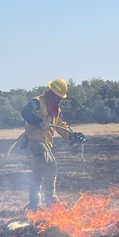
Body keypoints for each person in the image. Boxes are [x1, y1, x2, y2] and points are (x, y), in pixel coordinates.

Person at [21, 78, 76, 211]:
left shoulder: (55, 110)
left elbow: (61, 126)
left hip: (45, 142)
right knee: (50, 165)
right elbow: (26, 112)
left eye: (60, 98)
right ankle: (51, 200)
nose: (58, 100)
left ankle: (33, 205)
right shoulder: (38, 102)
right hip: (35, 140)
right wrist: (39, 122)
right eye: (56, 96)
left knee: (38, 173)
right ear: (50, 92)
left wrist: (73, 135)